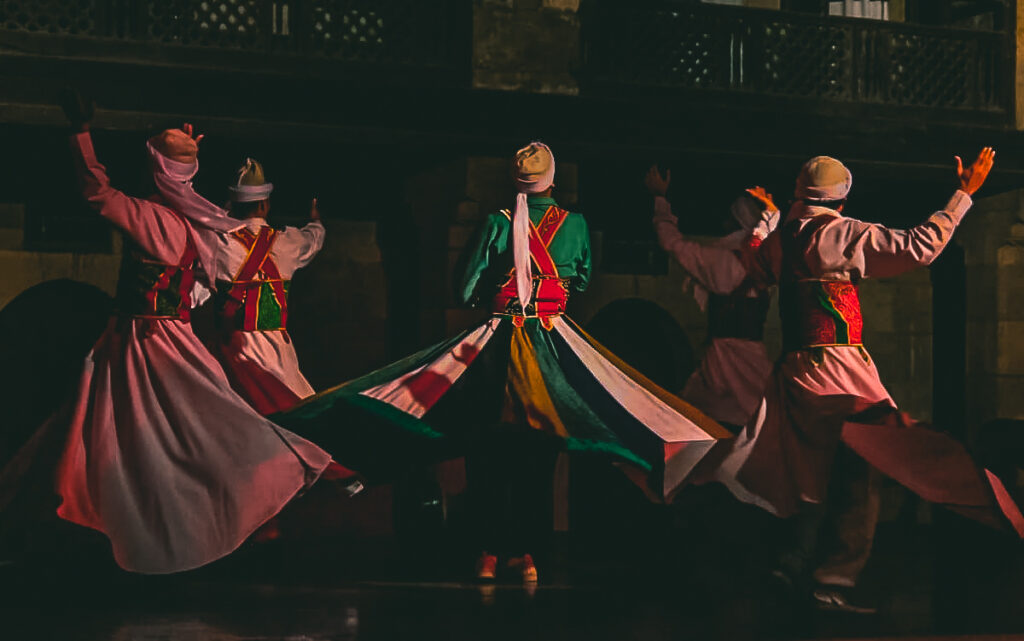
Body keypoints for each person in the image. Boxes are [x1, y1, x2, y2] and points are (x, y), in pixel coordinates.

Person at [273, 142, 730, 582]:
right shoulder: (575, 224)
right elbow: (584, 276)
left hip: (500, 342)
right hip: (552, 343)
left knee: (486, 445)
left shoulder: (498, 221)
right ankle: (527, 553)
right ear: (551, 182)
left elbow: (466, 286)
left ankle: (488, 553)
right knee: (543, 447)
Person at [0, 97, 332, 574]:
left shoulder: (155, 218)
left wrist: (80, 131)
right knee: (197, 429)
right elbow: (204, 287)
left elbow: (95, 191)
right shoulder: (205, 224)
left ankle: (129, 525)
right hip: (178, 339)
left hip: (141, 341)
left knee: (116, 436)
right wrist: (183, 160)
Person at [707, 149, 1024, 612]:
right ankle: (830, 579)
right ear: (840, 198)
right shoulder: (843, 233)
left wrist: (772, 219)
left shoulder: (783, 241)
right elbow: (919, 246)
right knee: (873, 457)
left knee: (811, 471)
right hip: (839, 371)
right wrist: (963, 194)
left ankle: (794, 563)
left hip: (794, 374)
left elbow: (758, 265)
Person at [645, 165, 780, 430]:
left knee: (703, 419)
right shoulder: (767, 262)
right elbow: (769, 237)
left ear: (733, 222)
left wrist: (660, 198)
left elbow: (672, 243)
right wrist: (772, 213)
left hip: (720, 362)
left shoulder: (718, 260)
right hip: (755, 362)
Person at [206, 158, 323, 415]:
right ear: (264, 204)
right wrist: (315, 221)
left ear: (232, 205)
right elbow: (313, 239)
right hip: (276, 353)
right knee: (291, 411)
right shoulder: (289, 243)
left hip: (232, 350)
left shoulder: (217, 244)